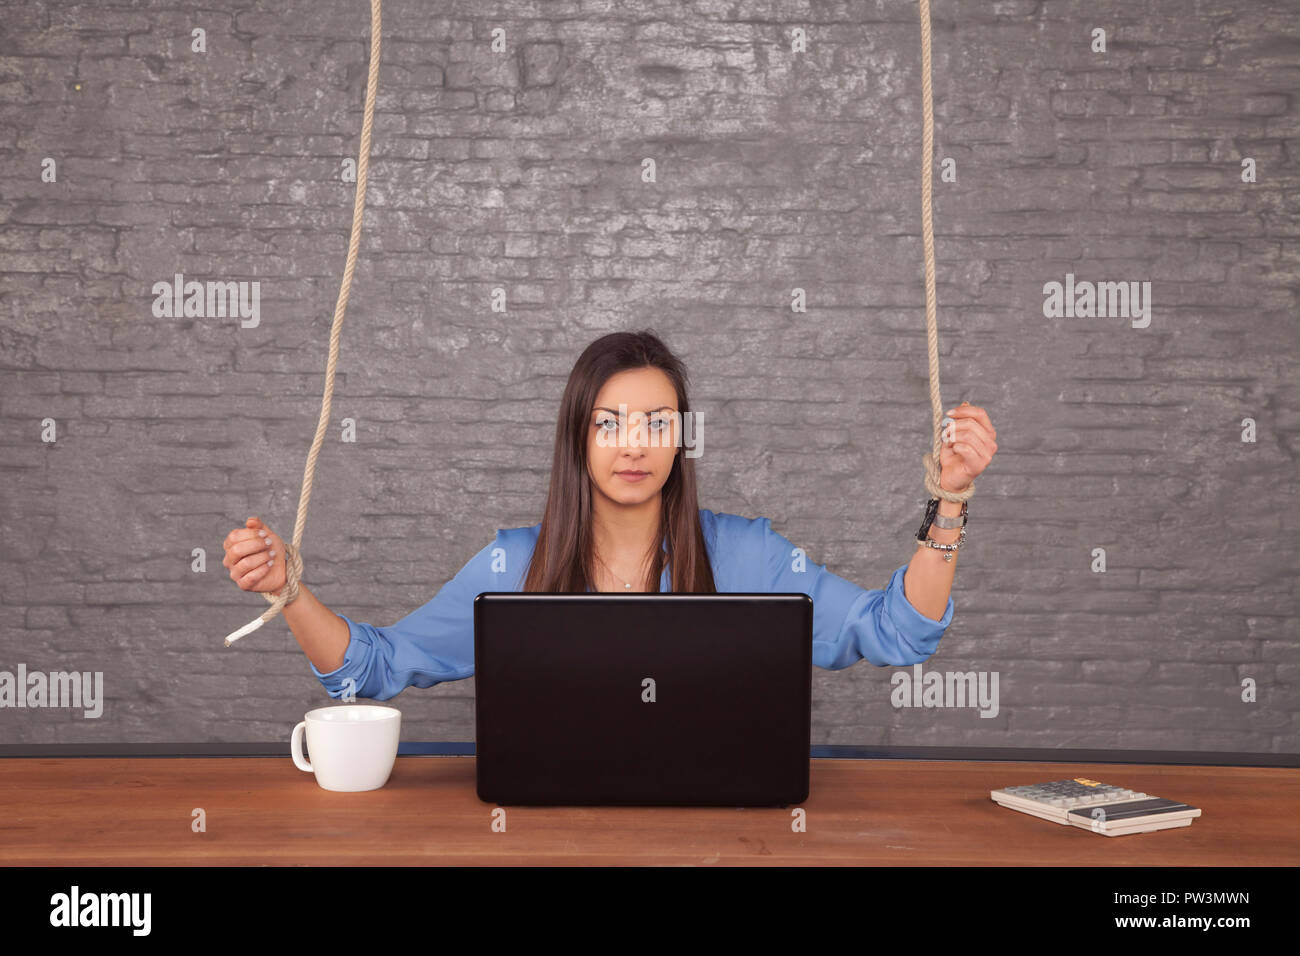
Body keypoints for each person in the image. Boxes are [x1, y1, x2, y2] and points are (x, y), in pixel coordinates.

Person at [221, 330, 997, 701]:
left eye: (658, 422)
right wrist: (289, 590)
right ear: (577, 436)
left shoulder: (749, 556)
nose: (635, 444)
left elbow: (898, 632)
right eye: (609, 422)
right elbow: (370, 670)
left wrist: (952, 498)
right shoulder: (511, 567)